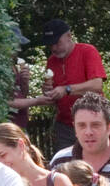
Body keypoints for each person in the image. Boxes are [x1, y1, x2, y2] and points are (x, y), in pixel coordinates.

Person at [40, 19, 106, 153]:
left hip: (92, 120)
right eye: (50, 45)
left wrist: (67, 89)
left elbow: (97, 85)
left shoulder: (87, 51)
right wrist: (49, 92)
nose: (54, 48)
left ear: (69, 36)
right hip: (65, 124)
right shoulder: (51, 61)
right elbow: (55, 93)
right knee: (67, 166)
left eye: (57, 42)